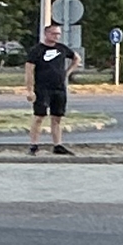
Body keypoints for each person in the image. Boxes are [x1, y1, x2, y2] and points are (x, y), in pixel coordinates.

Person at [26, 20, 80, 156]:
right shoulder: (36, 50)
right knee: (39, 116)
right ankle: (33, 145)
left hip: (59, 88)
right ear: (46, 34)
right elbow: (29, 71)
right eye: (54, 33)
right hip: (42, 88)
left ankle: (58, 145)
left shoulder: (62, 48)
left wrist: (67, 72)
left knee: (57, 117)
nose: (56, 36)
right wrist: (29, 90)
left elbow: (76, 58)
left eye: (58, 34)